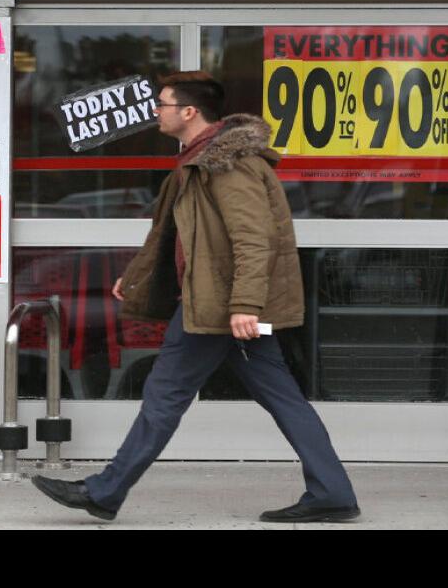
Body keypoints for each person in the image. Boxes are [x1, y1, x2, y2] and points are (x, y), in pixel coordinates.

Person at [32, 71, 359, 523]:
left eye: (162, 104)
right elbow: (175, 233)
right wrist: (138, 274)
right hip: (218, 302)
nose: (155, 112)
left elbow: (254, 237)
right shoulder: (198, 158)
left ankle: (105, 491)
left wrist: (245, 304)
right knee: (283, 397)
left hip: (218, 306)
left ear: (188, 111)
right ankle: (333, 492)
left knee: (165, 392)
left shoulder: (227, 162)